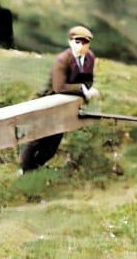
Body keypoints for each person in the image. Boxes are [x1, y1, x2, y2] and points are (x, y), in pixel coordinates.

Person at [21, 25, 98, 171]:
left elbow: (88, 79)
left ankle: (35, 168)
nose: (81, 46)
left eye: (85, 42)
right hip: (48, 102)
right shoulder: (62, 60)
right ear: (70, 42)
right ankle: (25, 170)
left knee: (51, 147)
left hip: (66, 106)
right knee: (37, 141)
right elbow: (59, 87)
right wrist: (82, 89)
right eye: (77, 42)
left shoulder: (90, 58)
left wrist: (87, 90)